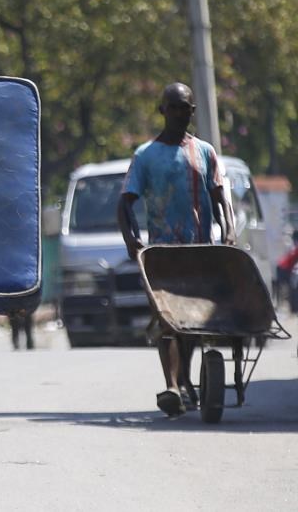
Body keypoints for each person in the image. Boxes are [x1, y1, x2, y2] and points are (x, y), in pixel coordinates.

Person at [117, 83, 235, 417]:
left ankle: (184, 379)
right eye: (174, 107)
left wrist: (228, 229)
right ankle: (172, 385)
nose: (181, 113)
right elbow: (125, 202)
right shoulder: (145, 155)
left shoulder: (205, 152)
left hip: (199, 251)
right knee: (167, 320)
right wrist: (132, 240)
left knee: (192, 322)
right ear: (162, 110)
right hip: (163, 255)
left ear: (192, 111)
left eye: (186, 107)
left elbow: (220, 196)